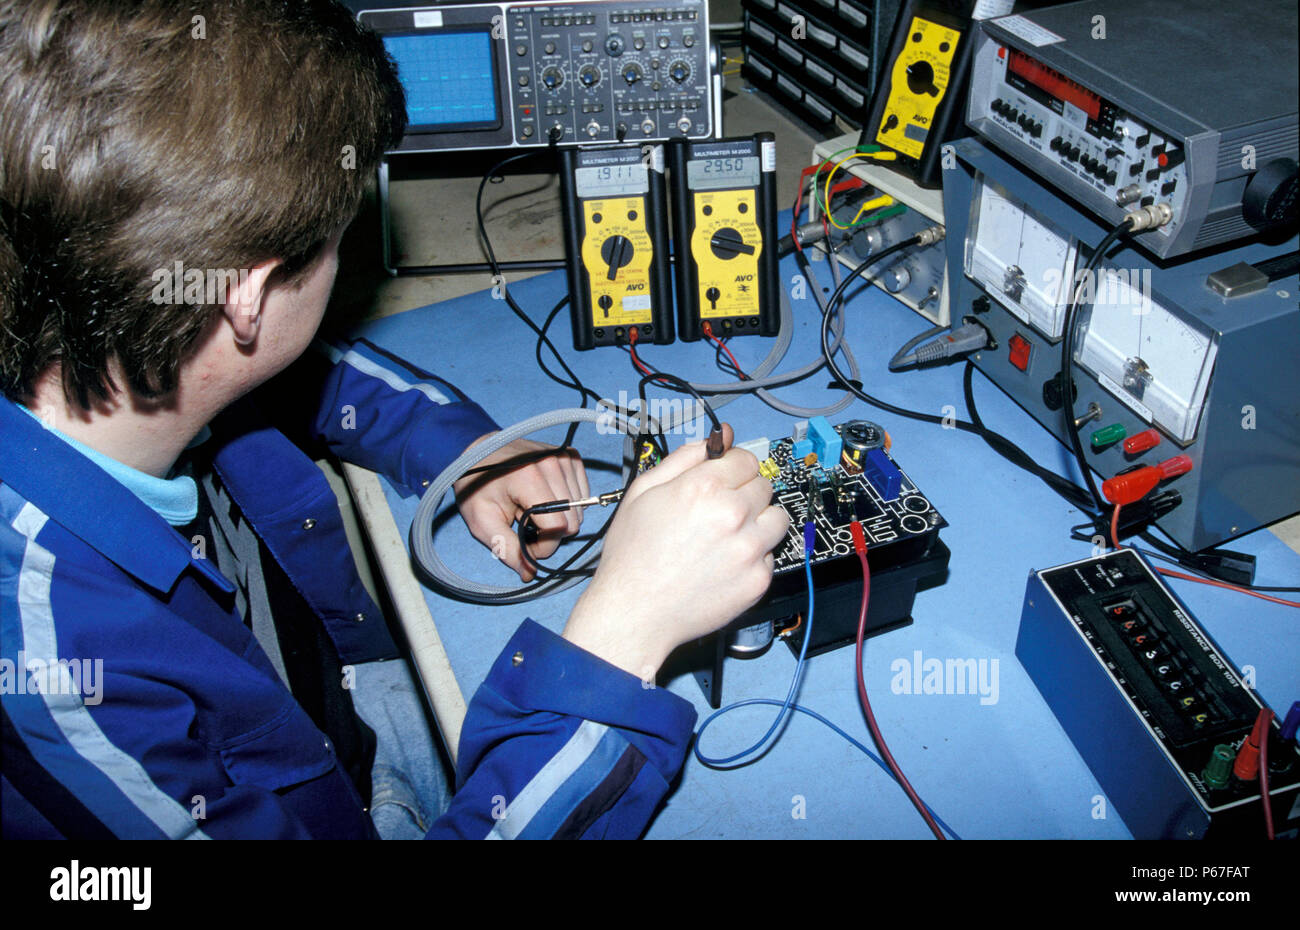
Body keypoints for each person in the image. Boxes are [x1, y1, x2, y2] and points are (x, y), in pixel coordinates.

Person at [0, 0, 789, 839]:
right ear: (250, 297)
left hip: (331, 729)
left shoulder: (111, 321)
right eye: (337, 243)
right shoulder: (56, 677)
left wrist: (471, 453)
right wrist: (624, 635)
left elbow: (318, 374)